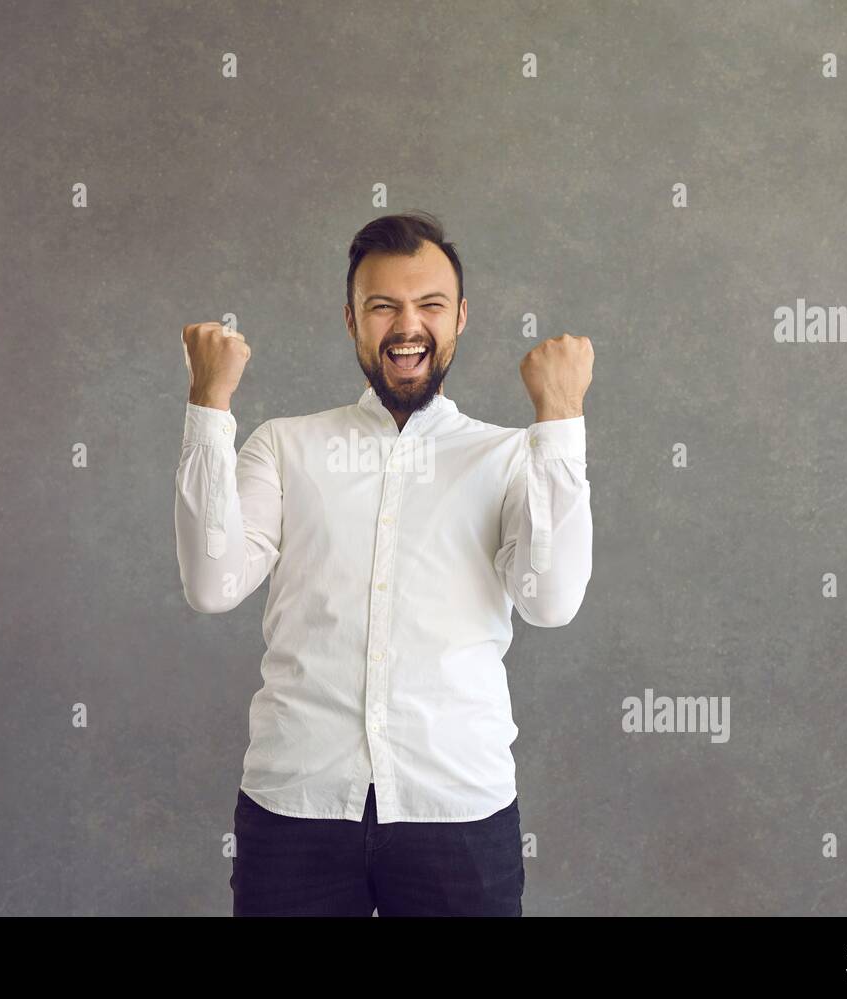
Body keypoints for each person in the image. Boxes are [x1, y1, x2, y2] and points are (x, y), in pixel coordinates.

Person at [175, 210, 594, 916]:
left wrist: (558, 420)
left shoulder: (509, 458)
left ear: (460, 316)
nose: (408, 326)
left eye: (430, 305)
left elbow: (550, 602)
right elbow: (212, 584)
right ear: (351, 319)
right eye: (382, 306)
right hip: (295, 810)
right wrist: (209, 402)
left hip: (458, 811)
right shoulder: (285, 446)